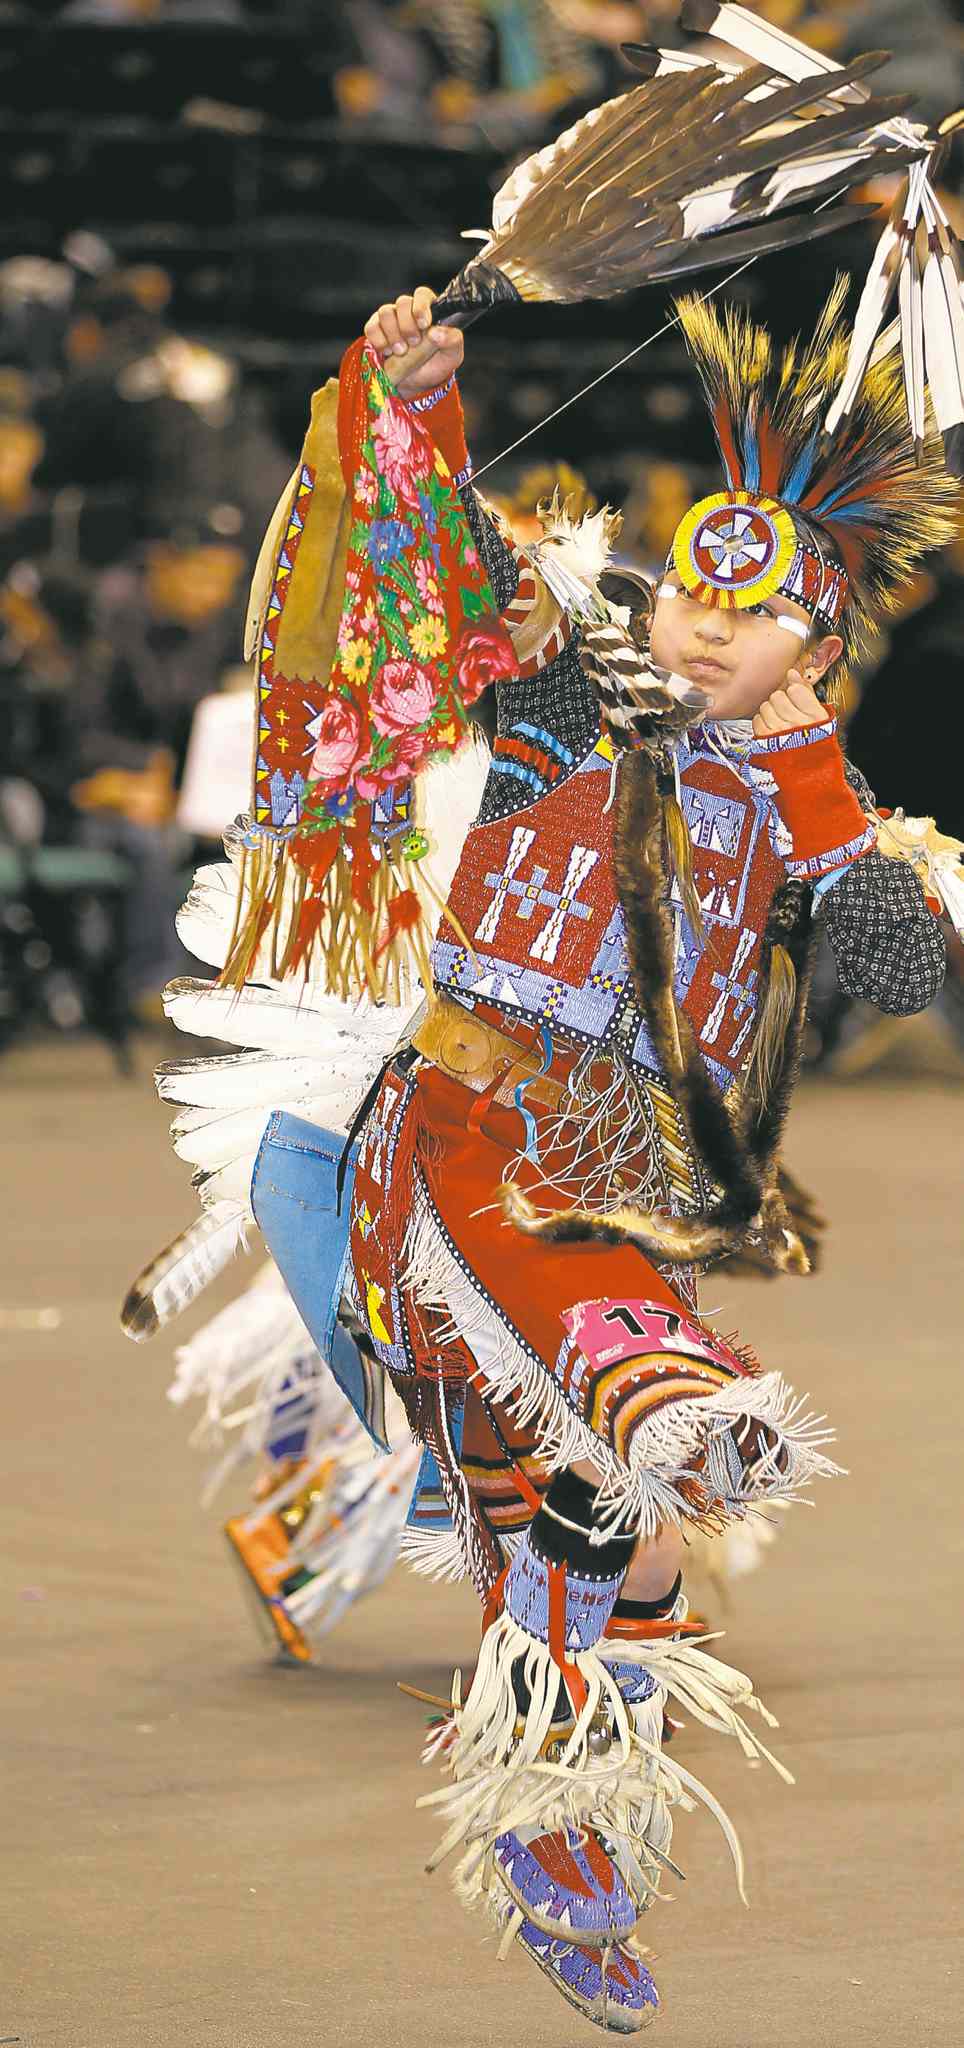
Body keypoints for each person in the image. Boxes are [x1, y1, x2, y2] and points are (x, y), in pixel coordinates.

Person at [124, 270, 956, 2031]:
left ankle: (566, 1853)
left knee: (605, 1550)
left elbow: (892, 965)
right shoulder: (577, 690)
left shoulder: (820, 811)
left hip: (602, 1185)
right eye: (696, 607)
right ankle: (653, 1396)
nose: (701, 637)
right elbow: (439, 574)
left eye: (755, 624)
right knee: (652, 1414)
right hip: (462, 1143)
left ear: (821, 646)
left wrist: (806, 765)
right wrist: (409, 397)